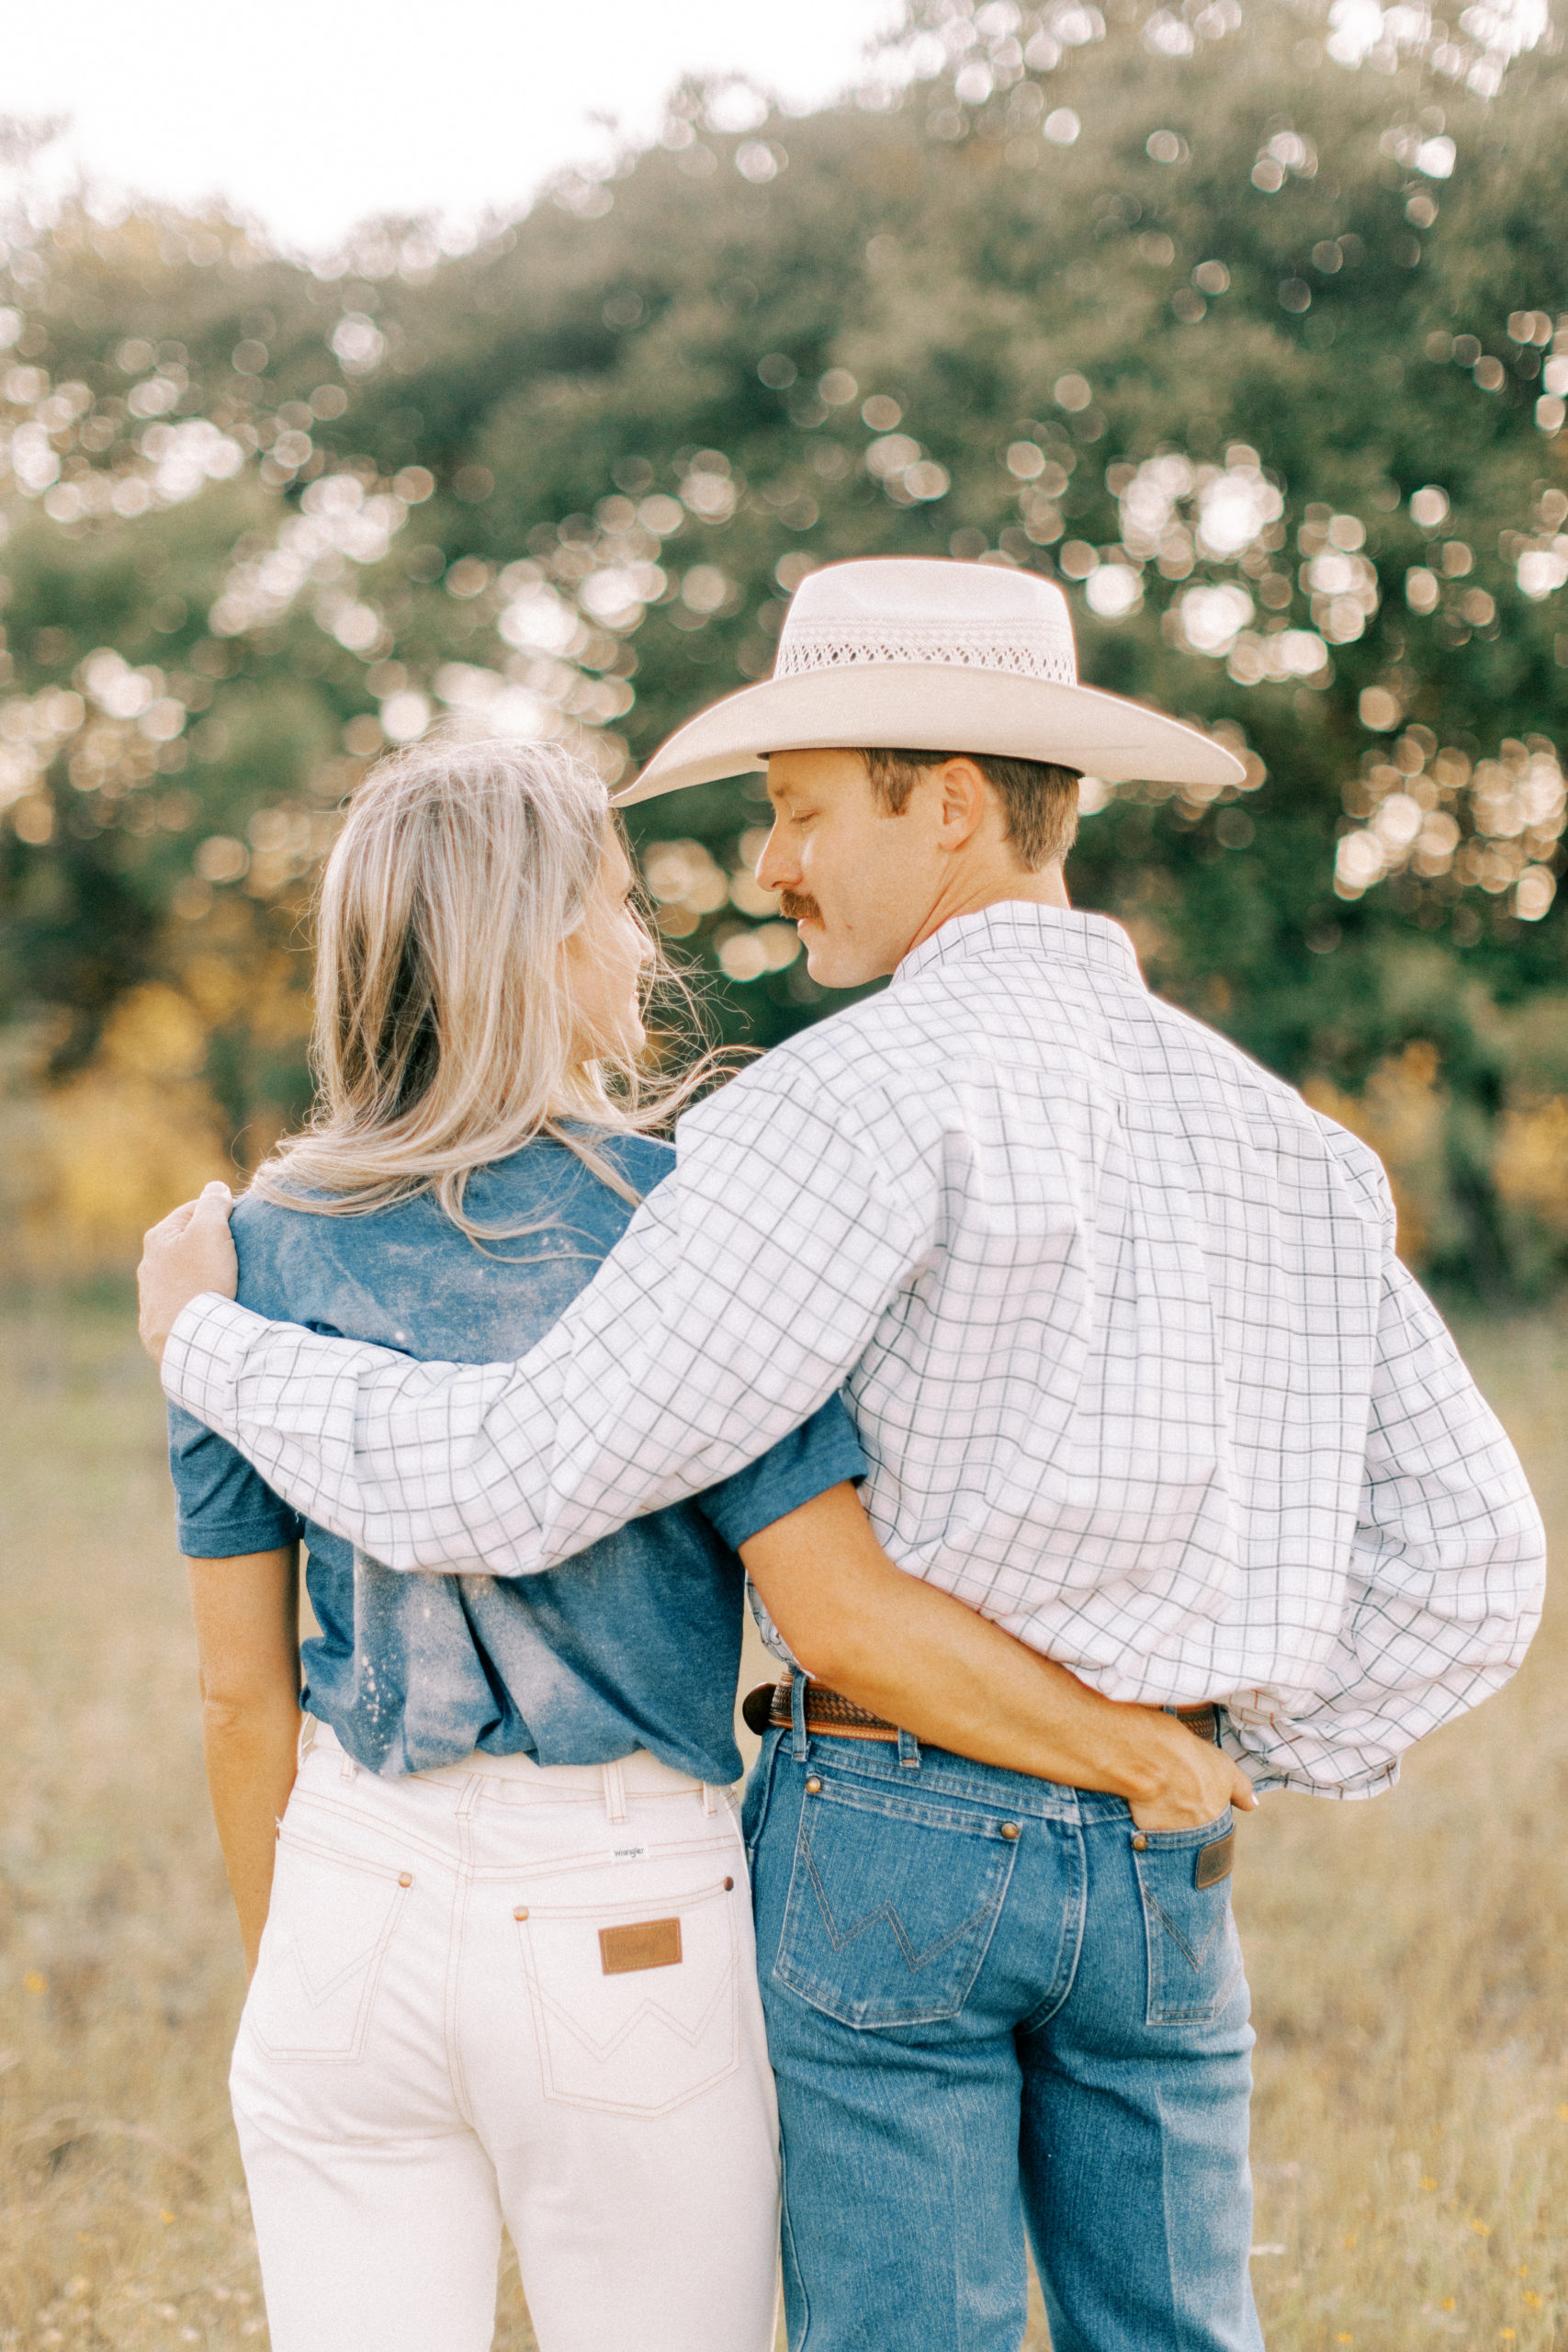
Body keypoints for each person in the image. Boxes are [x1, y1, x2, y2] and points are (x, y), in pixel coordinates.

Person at [142, 558, 1546, 2352]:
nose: (768, 865)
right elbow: (1473, 1559)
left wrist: (206, 1338)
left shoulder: (827, 1109)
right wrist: (1200, 1742)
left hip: (885, 1834)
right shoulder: (1294, 1146)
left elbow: (513, 1477)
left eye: (799, 810)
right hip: (1158, 1856)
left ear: (947, 801)